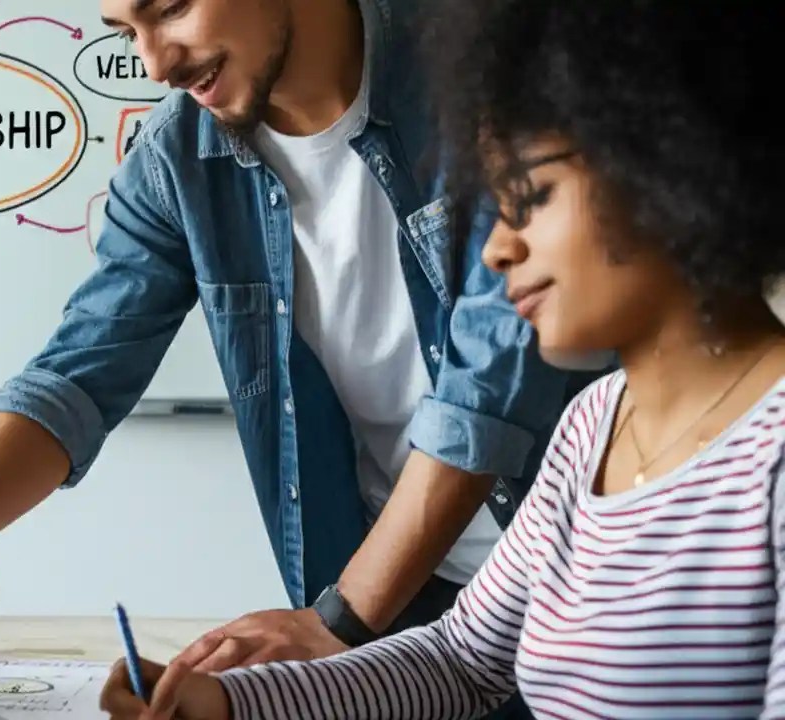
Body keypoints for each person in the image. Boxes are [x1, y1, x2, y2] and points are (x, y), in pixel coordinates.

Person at [0, 0, 589, 715]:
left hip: (581, 587)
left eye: (172, 8)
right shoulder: (177, 158)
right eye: (126, 32)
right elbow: (74, 377)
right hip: (405, 622)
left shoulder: (481, 73)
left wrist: (339, 619)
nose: (155, 62)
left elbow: (485, 386)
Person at [98, 0, 785, 717]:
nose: (497, 249)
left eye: (531, 197)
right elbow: (460, 659)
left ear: (671, 167)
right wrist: (223, 704)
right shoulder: (591, 428)